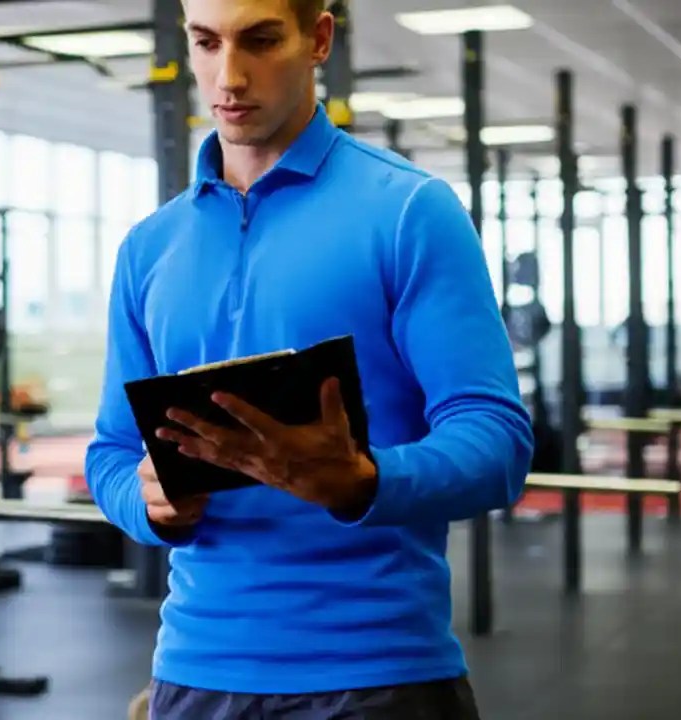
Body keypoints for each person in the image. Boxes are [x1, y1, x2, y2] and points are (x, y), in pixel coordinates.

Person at [83, 0, 535, 717]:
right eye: (206, 42)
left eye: (261, 40)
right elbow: (111, 451)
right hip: (196, 670)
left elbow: (497, 441)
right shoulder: (150, 246)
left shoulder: (409, 210)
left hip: (379, 673)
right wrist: (151, 504)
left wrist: (362, 480)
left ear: (318, 38)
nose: (229, 76)